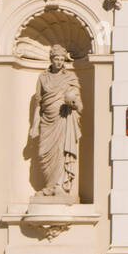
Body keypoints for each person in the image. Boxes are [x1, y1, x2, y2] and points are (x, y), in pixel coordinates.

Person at [30, 44, 82, 199]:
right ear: (51, 59)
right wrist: (34, 126)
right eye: (56, 59)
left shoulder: (69, 78)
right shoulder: (43, 77)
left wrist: (73, 103)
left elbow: (79, 105)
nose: (59, 62)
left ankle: (58, 186)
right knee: (43, 153)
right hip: (46, 120)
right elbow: (38, 104)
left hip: (63, 119)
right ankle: (49, 186)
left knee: (60, 152)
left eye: (61, 59)